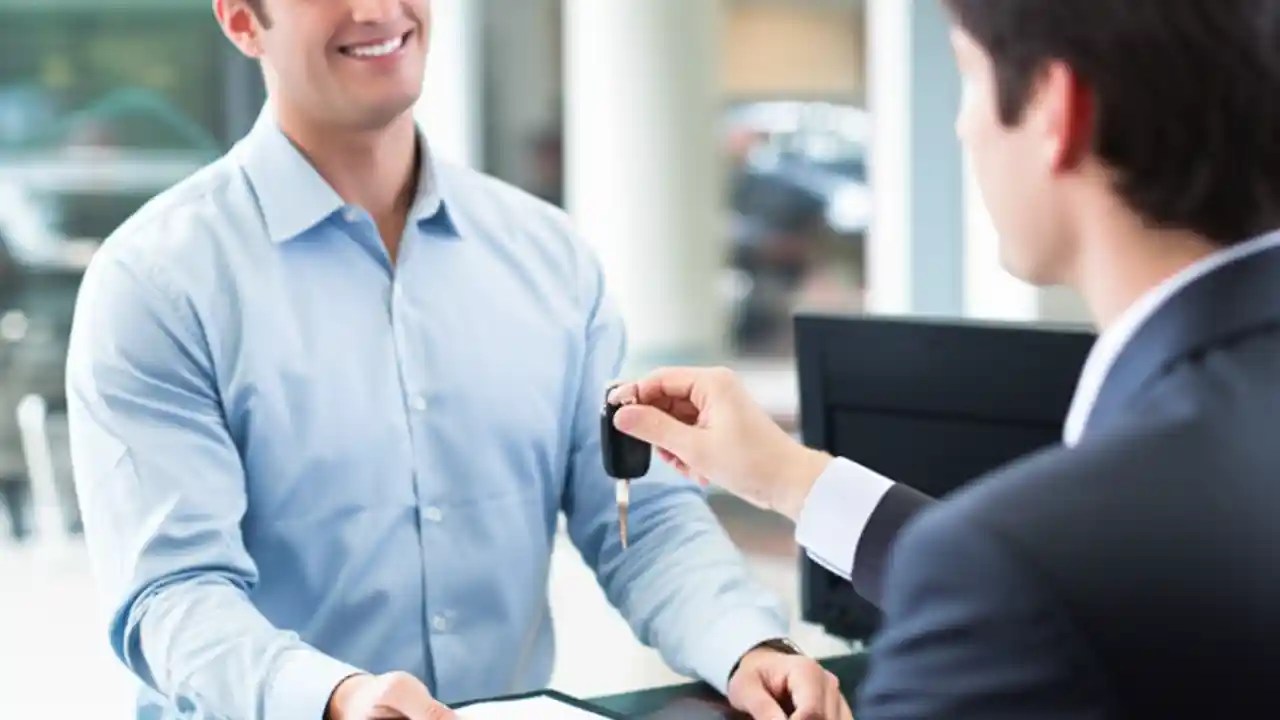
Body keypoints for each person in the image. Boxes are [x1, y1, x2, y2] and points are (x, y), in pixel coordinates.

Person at [64, 1, 849, 719]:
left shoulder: (549, 257)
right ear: (241, 18)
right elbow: (173, 593)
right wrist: (333, 698)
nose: (375, 10)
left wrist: (747, 645)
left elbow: (637, 518)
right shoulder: (158, 283)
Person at [609, 0, 1280, 717]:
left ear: (1057, 110)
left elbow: (1036, 586)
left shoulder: (1019, 562)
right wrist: (788, 477)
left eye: (969, 77)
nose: (962, 126)